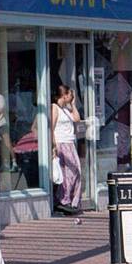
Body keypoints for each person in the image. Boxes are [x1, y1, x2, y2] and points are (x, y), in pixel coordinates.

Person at [51, 83, 82, 216]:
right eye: (70, 94)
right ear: (64, 95)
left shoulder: (66, 109)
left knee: (76, 171)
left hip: (70, 142)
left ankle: (70, 200)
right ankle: (64, 199)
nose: (71, 96)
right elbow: (51, 127)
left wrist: (73, 104)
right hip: (61, 142)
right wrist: (53, 145)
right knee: (67, 173)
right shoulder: (55, 108)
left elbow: (77, 119)